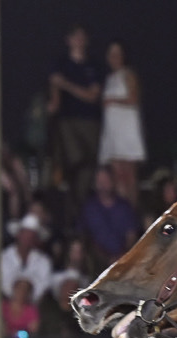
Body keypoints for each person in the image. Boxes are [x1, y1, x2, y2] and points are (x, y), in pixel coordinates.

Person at [47, 24, 102, 219]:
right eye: (75, 36)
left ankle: (81, 212)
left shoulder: (93, 66)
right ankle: (70, 214)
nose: (79, 40)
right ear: (68, 40)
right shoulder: (61, 63)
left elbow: (92, 95)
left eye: (82, 36)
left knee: (87, 166)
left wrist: (66, 85)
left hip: (89, 122)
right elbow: (55, 91)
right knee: (71, 165)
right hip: (67, 122)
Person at [97, 40, 146, 206]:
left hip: (127, 129)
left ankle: (132, 212)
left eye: (117, 54)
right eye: (111, 54)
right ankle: (121, 211)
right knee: (116, 175)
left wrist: (112, 100)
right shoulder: (109, 78)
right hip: (113, 130)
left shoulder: (128, 74)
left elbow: (133, 98)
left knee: (129, 175)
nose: (114, 57)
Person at [77, 165, 138, 266]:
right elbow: (84, 237)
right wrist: (105, 258)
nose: (102, 185)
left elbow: (131, 235)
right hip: (97, 263)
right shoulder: (88, 208)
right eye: (99, 181)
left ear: (112, 182)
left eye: (105, 181)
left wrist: (122, 256)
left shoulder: (124, 207)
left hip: (124, 261)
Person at [0, 212, 53, 304]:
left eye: (31, 235)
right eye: (25, 234)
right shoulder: (4, 257)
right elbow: (4, 286)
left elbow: (42, 289)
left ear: (36, 239)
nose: (27, 238)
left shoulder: (44, 261)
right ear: (18, 234)